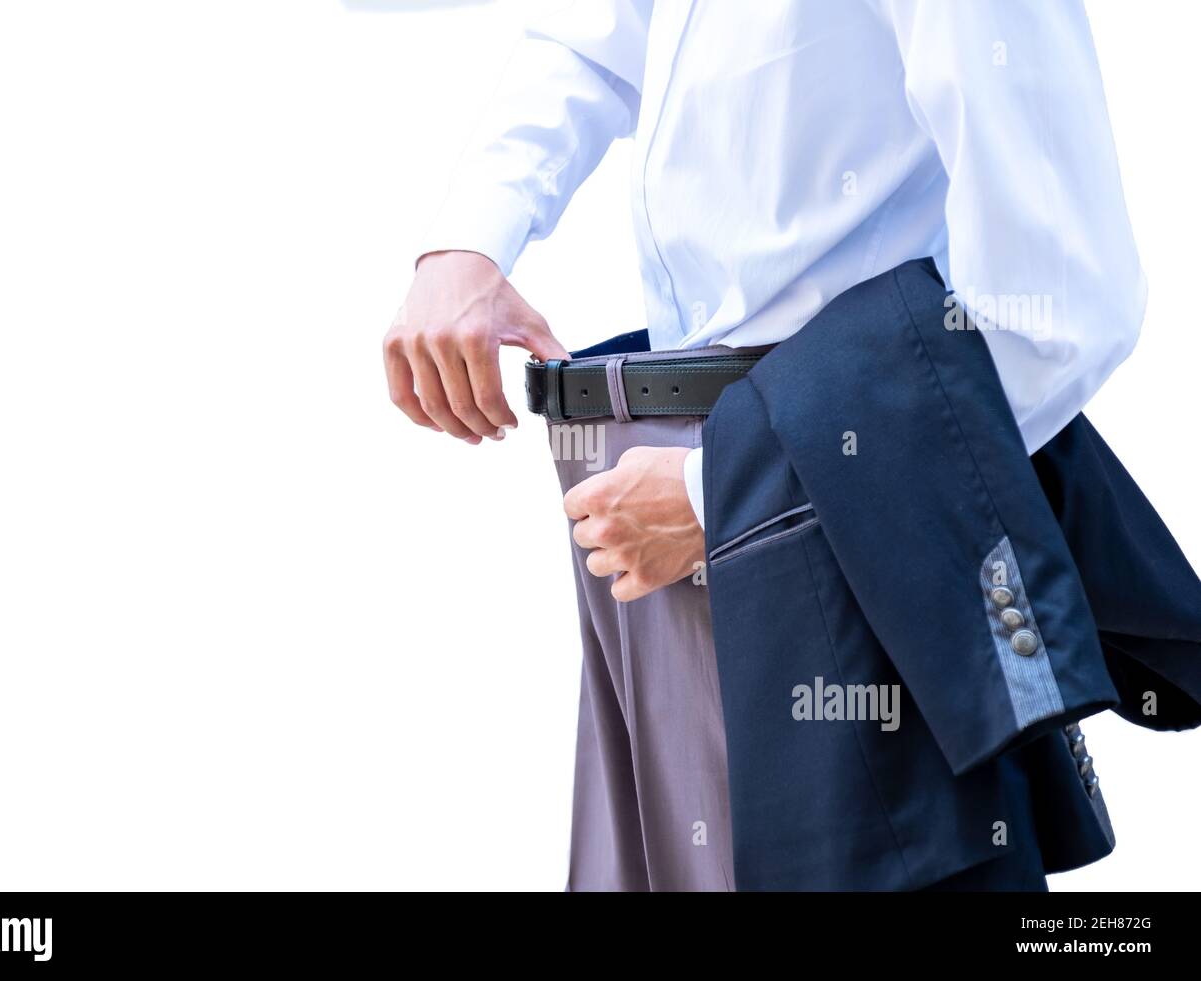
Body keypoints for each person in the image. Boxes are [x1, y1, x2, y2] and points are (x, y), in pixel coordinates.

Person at [382, 1, 1171, 891]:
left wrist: (718, 494)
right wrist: (469, 239)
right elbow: (596, 32)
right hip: (668, 521)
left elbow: (1061, 304)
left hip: (837, 541)